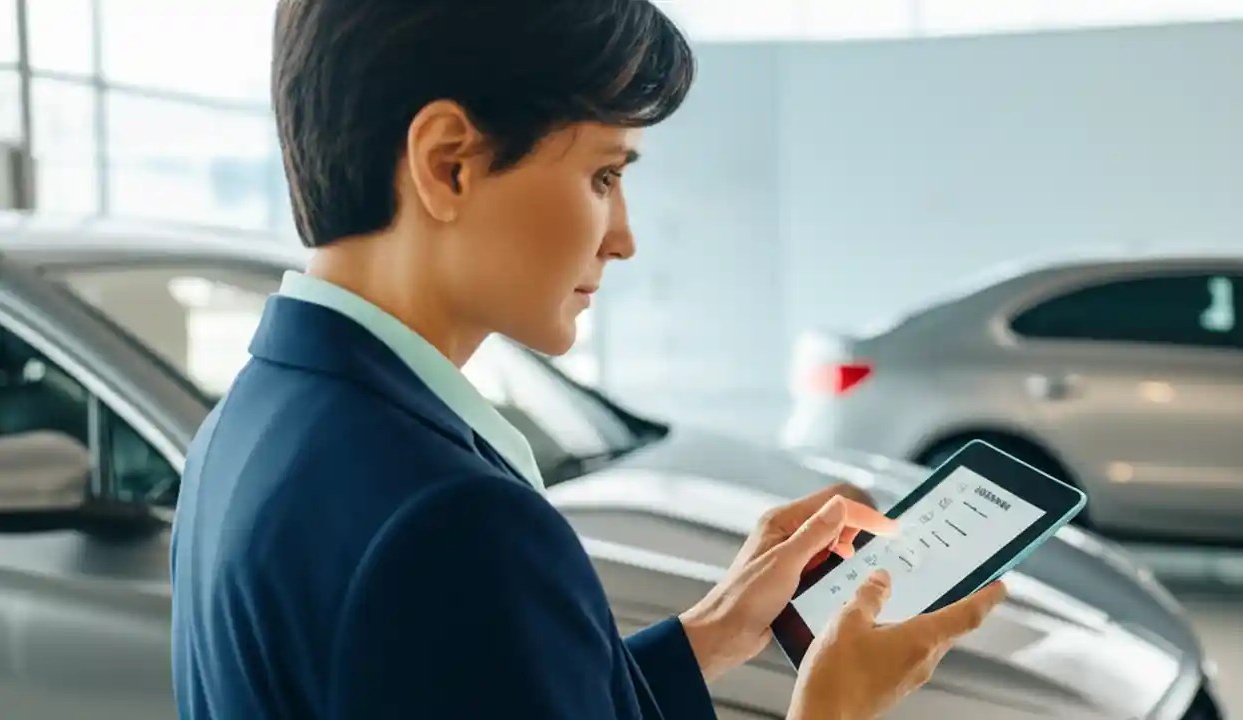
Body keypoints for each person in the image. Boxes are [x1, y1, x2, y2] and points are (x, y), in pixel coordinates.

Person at [169, 1, 1007, 718]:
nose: (624, 238)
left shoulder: (249, 426)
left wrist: (710, 634)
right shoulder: (458, 524)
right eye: (604, 175)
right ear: (447, 164)